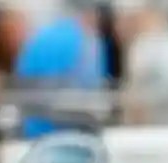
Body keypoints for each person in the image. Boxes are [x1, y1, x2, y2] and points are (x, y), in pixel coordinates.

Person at [13, 0, 111, 138]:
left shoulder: (39, 37)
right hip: (68, 134)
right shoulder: (86, 40)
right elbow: (90, 90)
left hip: (34, 131)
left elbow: (22, 81)